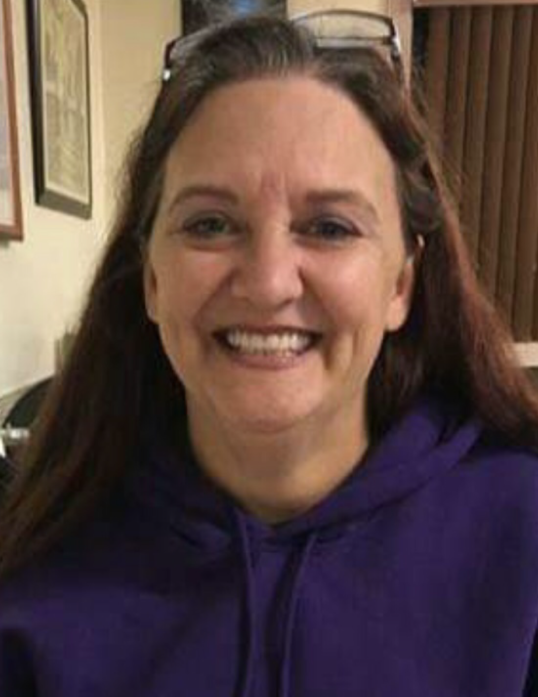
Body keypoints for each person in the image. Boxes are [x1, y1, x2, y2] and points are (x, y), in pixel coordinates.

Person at [1, 12, 538, 697]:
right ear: (152, 279)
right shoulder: (40, 562)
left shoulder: (520, 532)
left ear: (401, 284)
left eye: (329, 227)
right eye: (211, 224)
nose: (268, 282)